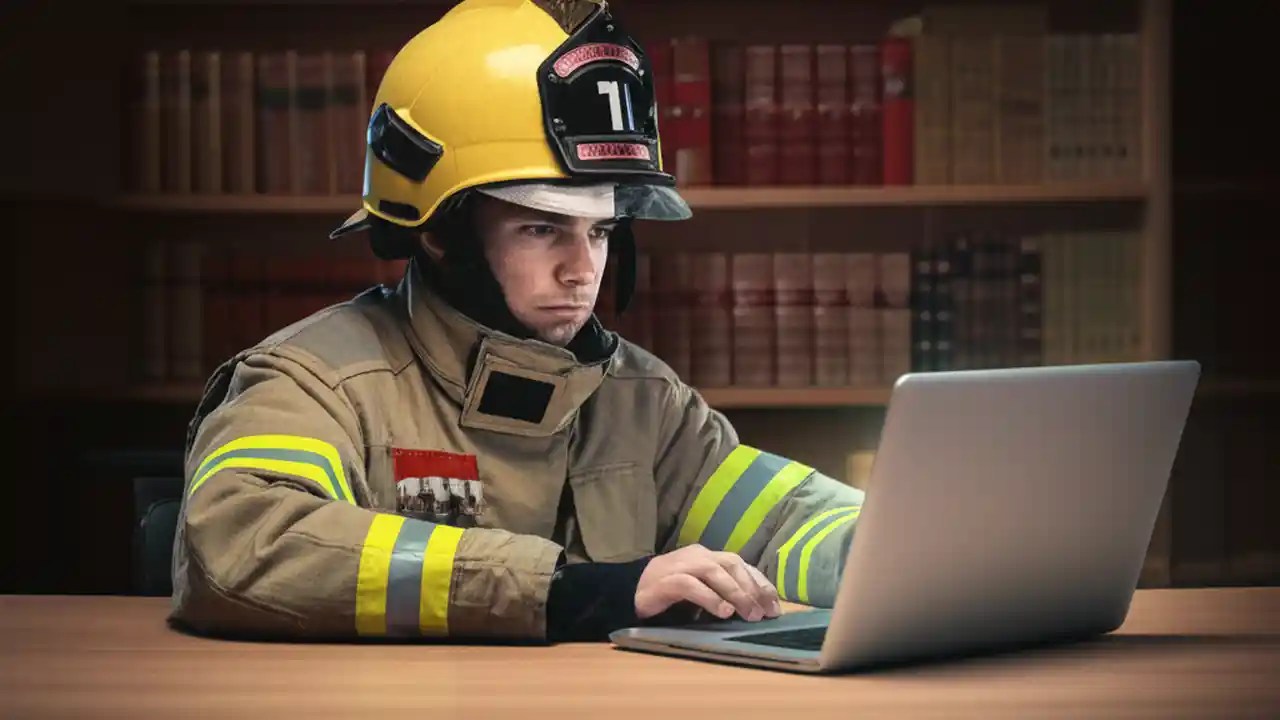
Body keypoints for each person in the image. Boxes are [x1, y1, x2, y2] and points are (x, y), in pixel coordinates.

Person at [170, 0, 865, 642]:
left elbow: (790, 524)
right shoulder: (313, 381)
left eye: (599, 231)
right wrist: (573, 592)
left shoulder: (643, 404)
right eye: (541, 228)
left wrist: (915, 549)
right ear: (440, 233)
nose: (580, 269)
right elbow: (245, 544)